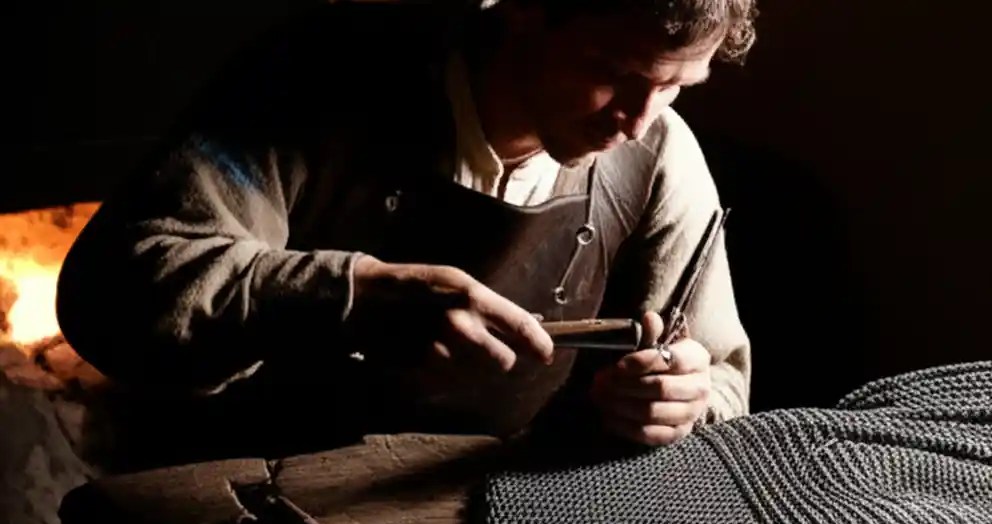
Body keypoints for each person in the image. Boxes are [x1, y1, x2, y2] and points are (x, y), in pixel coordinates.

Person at [55, 0, 757, 460]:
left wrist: (681, 403)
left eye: (673, 86)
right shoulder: (318, 79)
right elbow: (118, 292)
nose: (637, 119)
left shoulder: (658, 156)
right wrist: (353, 299)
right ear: (522, 10)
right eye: (610, 71)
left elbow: (722, 383)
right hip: (244, 508)